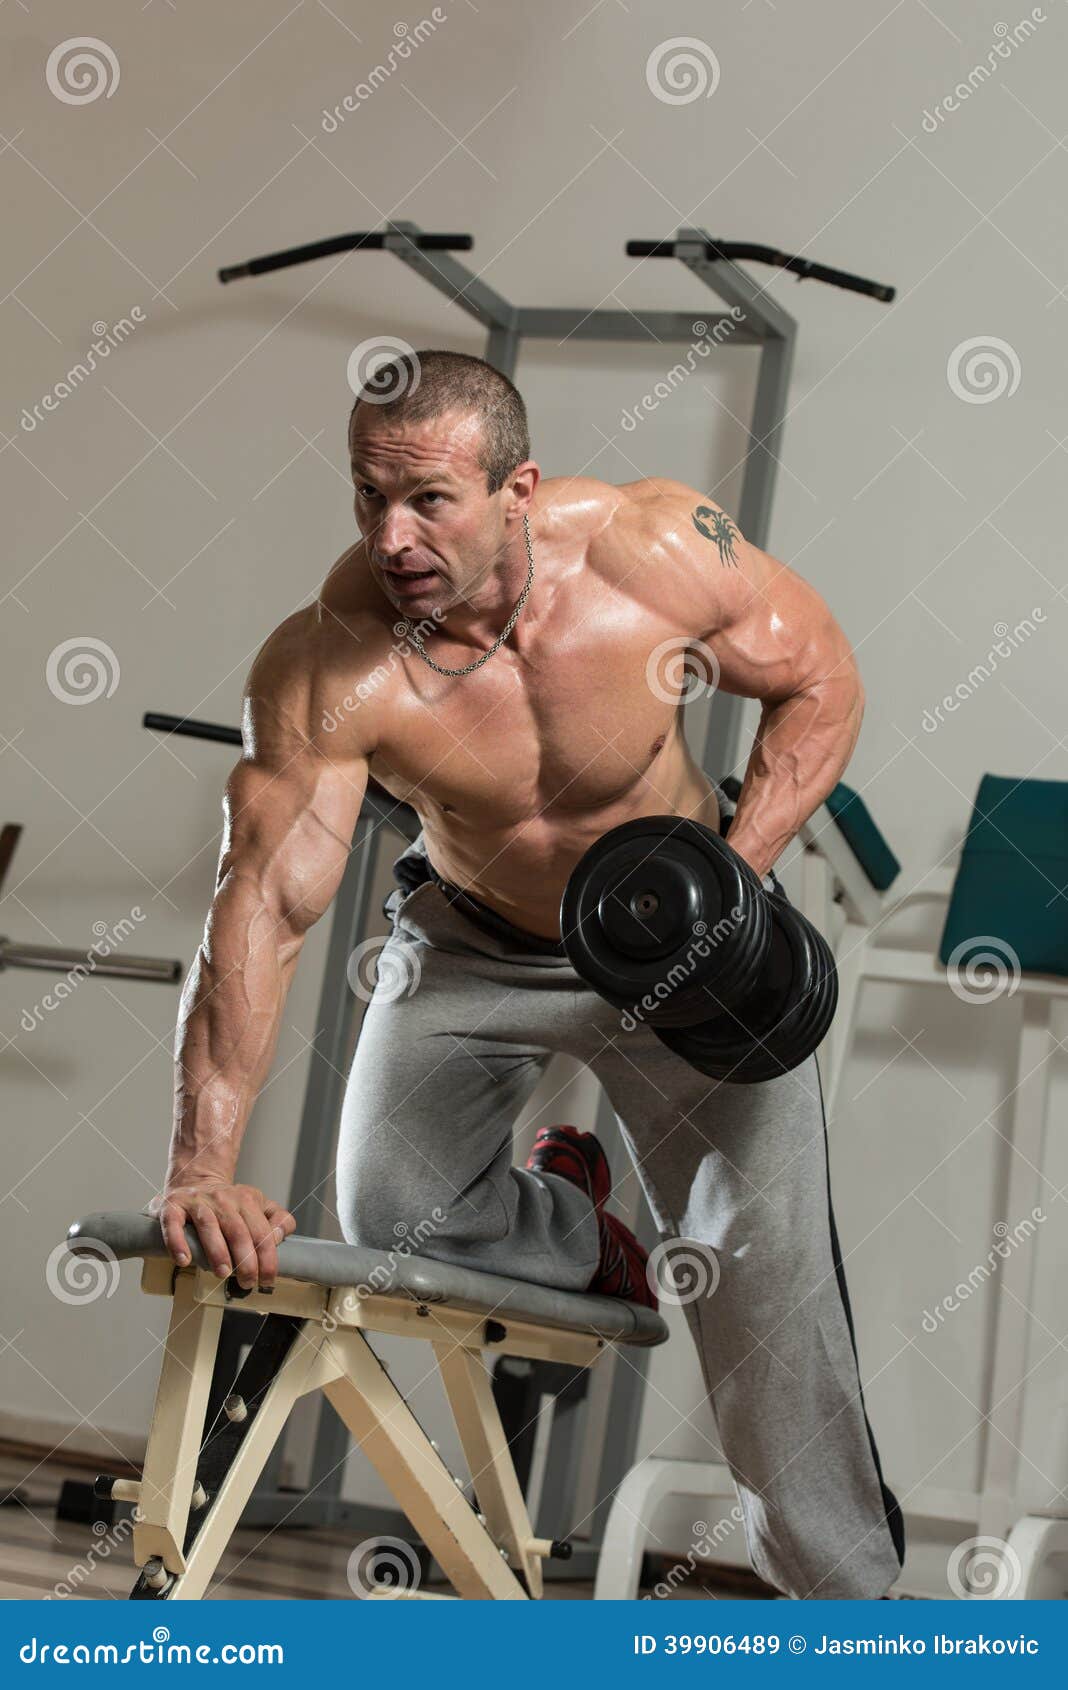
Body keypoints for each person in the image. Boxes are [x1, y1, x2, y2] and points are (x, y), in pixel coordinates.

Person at [148, 349, 903, 1598]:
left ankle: (849, 1611)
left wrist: (736, 880)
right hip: (471, 943)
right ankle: (579, 1226)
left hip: (676, 950)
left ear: (518, 488)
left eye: (429, 499)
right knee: (393, 1221)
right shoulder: (332, 664)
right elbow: (266, 903)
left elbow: (822, 677)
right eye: (368, 498)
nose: (393, 536)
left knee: (762, 1281)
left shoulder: (650, 555)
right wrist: (200, 1165)